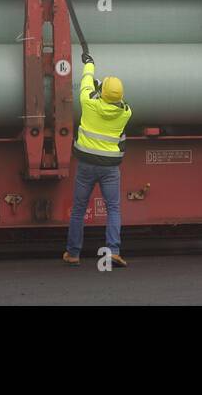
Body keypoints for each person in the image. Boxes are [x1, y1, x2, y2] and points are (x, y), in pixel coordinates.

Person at [63, 55, 131, 268]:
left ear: (101, 93)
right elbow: (115, 100)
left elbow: (86, 81)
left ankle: (73, 253)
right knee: (113, 208)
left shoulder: (88, 103)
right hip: (110, 167)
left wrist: (89, 64)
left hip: (86, 165)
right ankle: (113, 251)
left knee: (79, 209)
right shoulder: (126, 112)